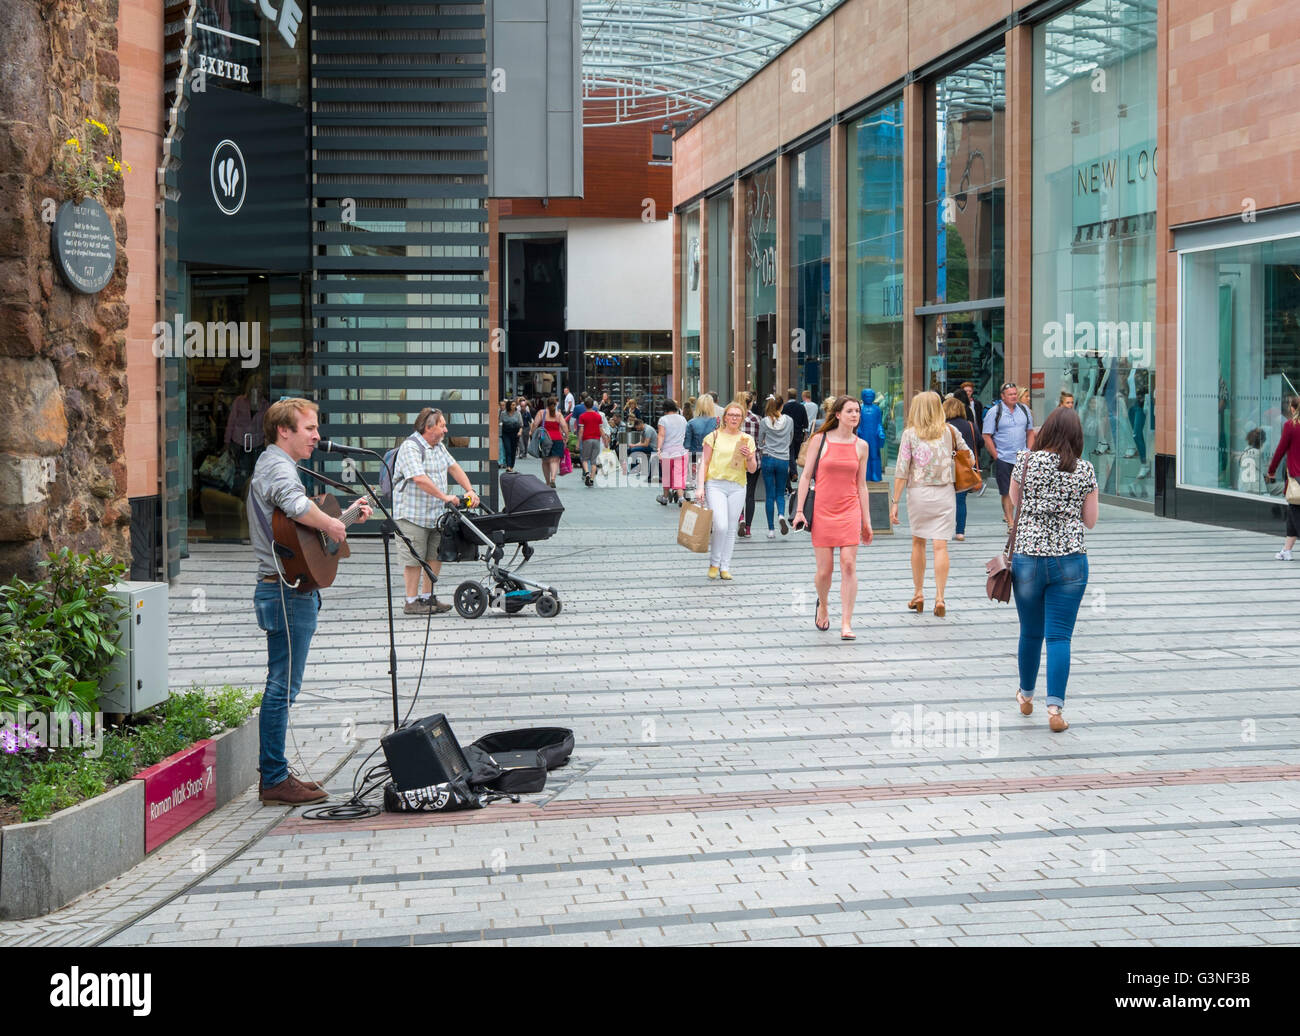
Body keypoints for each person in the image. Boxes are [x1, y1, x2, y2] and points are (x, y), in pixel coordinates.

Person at [249, 398, 372, 805]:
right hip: (284, 591)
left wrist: (348, 516)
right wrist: (336, 523)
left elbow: (302, 533)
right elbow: (298, 506)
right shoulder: (276, 466)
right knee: (283, 687)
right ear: (284, 430)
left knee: (286, 686)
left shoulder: (283, 466)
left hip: (292, 587)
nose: (317, 436)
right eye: (309, 428)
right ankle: (273, 778)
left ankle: (276, 769)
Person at [1009, 406, 1100, 733]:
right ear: (1077, 436)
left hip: (1029, 558)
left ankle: (1026, 695)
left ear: (1046, 430)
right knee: (1059, 636)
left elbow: (1015, 502)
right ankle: (1055, 708)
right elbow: (1090, 521)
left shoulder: (1025, 462)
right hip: (1071, 560)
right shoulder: (1085, 470)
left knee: (1030, 632)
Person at [792, 396, 873, 639]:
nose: (854, 415)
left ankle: (846, 623)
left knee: (849, 564)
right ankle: (824, 605)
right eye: (849, 411)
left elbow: (862, 486)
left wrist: (866, 521)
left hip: (849, 509)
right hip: (823, 510)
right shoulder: (820, 439)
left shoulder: (862, 446)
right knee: (824, 571)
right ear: (837, 414)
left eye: (857, 411)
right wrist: (798, 511)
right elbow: (805, 476)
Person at [891, 391, 974, 618]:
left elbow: (901, 470)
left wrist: (895, 502)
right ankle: (940, 597)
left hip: (918, 493)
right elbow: (970, 458)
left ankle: (918, 594)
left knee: (918, 543)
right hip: (945, 493)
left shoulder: (910, 434)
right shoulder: (950, 431)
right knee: (941, 546)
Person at [394, 407, 477, 615]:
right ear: (429, 427)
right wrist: (445, 496)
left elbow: (454, 467)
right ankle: (411, 602)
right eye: (442, 425)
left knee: (434, 556)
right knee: (414, 558)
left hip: (434, 515)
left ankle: (427, 597)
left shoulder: (438, 446)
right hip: (411, 515)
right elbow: (419, 478)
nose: (446, 430)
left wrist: (470, 490)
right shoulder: (410, 447)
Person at [697, 400, 759, 579]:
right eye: (731, 415)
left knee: (731, 527)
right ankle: (714, 562)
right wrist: (700, 486)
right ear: (724, 417)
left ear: (742, 419)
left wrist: (749, 458)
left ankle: (724, 566)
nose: (734, 418)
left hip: (738, 486)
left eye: (737, 415)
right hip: (715, 484)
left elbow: (753, 469)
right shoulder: (713, 436)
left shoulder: (747, 439)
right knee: (721, 525)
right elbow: (705, 463)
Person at [983, 381, 1036, 527]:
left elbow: (1030, 432)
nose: (1013, 397)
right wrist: (996, 456)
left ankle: (1020, 519)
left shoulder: (1024, 410)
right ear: (1003, 396)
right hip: (1004, 457)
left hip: (1022, 457)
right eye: (1010, 394)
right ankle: (1011, 522)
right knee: (1006, 491)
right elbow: (986, 435)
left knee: (1022, 490)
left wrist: (1029, 452)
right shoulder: (995, 412)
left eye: (1014, 394)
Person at [1266, 395, 1300, 560]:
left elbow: (1280, 450)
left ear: (1293, 409)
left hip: (1296, 477)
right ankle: (1287, 550)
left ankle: (1286, 551)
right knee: (1293, 511)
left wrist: (1271, 470)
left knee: (1295, 510)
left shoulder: (1291, 426)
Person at [757, 396, 794, 538]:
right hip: (783, 459)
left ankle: (771, 530)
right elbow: (790, 439)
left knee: (769, 495)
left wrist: (763, 446)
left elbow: (760, 441)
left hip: (768, 458)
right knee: (780, 493)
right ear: (781, 406)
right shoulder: (789, 420)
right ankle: (781, 516)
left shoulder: (764, 421)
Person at [944, 395, 978, 542]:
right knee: (961, 500)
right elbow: (980, 441)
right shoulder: (970, 425)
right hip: (963, 466)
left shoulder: (943, 426)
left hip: (946, 466)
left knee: (945, 499)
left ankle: (945, 529)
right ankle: (960, 532)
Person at [685, 393, 719, 499]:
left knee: (696, 486)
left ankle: (698, 510)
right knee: (711, 486)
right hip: (713, 457)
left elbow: (686, 445)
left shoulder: (691, 423)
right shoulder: (718, 422)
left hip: (695, 457)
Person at [656, 399, 689, 504]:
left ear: (664, 409)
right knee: (679, 475)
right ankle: (681, 498)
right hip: (681, 451)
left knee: (666, 475)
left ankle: (665, 497)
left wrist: (658, 449)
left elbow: (661, 435)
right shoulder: (683, 419)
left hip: (667, 452)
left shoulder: (663, 420)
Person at [530, 396, 568, 488]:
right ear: (555, 404)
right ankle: (553, 479)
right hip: (557, 439)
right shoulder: (558, 414)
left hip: (545, 439)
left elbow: (535, 424)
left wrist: (532, 433)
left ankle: (547, 482)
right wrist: (566, 437)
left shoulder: (541, 413)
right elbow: (564, 426)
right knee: (555, 460)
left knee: (545, 461)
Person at [576, 395, 607, 487]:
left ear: (585, 406)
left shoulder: (582, 416)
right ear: (593, 405)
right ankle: (592, 479)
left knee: (584, 459)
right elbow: (601, 429)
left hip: (587, 439)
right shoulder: (598, 416)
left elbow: (581, 430)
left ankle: (587, 473)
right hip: (597, 439)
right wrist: (605, 440)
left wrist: (578, 442)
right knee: (594, 461)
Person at [782, 389, 809, 493]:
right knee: (795, 455)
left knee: (790, 454)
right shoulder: (801, 407)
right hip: (798, 434)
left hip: (787, 434)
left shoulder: (784, 407)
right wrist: (805, 434)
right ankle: (793, 472)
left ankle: (792, 473)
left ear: (788, 396)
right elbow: (805, 422)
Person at [857, 388, 886, 482]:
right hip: (863, 435)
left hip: (873, 436)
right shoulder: (859, 408)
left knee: (874, 455)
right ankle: (864, 475)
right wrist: (858, 430)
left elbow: (879, 423)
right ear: (863, 397)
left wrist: (880, 432)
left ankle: (875, 474)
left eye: (870, 396)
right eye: (866, 396)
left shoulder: (877, 409)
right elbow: (857, 423)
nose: (868, 398)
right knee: (863, 456)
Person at [499, 398, 522, 474]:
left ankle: (511, 465)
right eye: (512, 405)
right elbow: (500, 422)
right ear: (509, 406)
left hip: (515, 433)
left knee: (513, 449)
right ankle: (508, 466)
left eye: (515, 405)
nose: (514, 406)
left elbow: (521, 424)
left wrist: (520, 432)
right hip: (506, 433)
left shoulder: (517, 413)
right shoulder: (503, 413)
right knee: (507, 448)